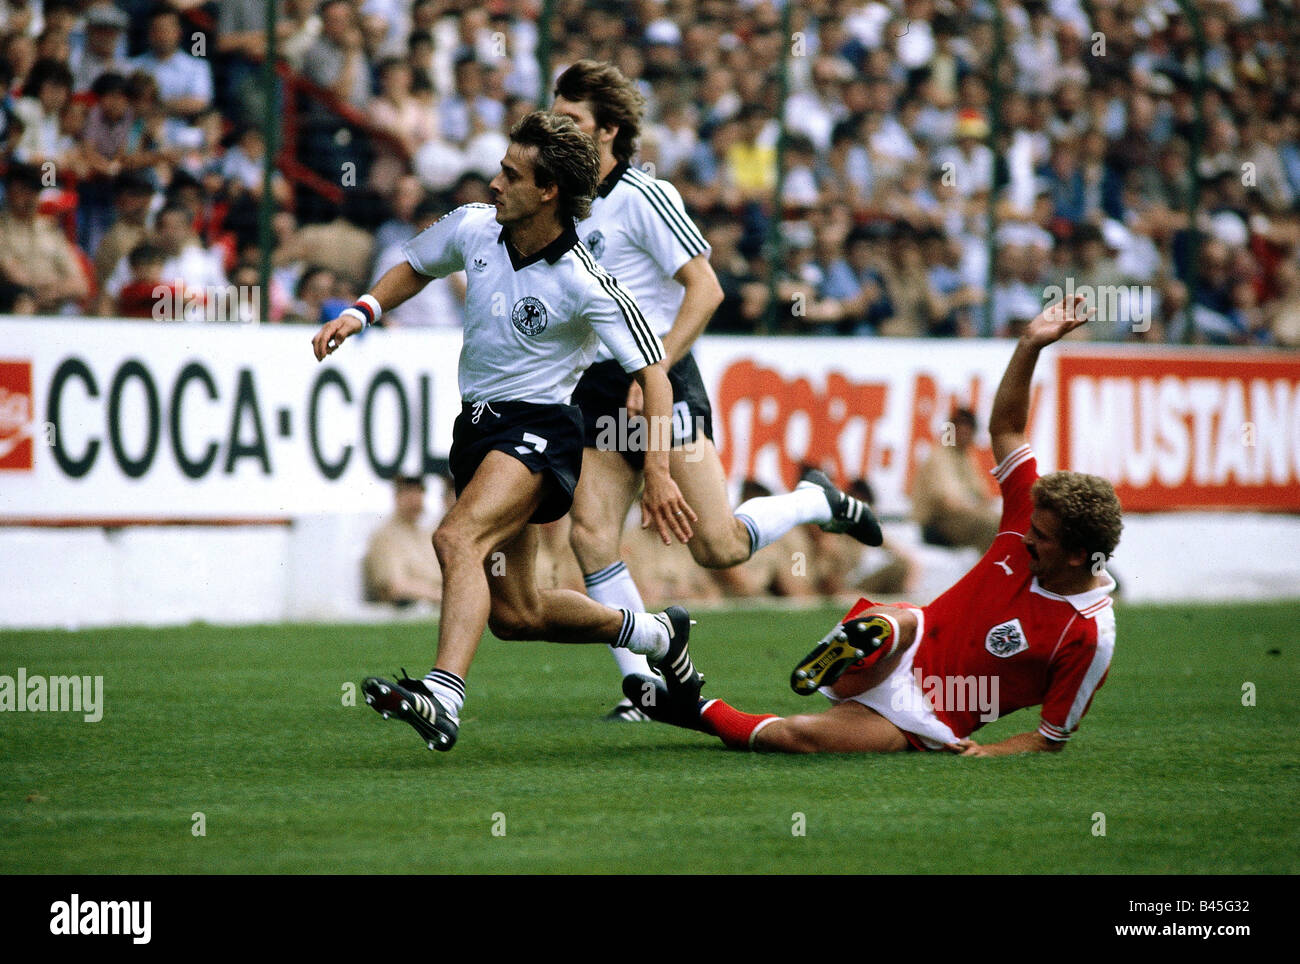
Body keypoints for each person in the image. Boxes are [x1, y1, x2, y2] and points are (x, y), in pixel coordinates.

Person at [311, 111, 702, 752]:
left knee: (455, 536)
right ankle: (657, 635)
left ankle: (443, 695)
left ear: (547, 192)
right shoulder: (473, 226)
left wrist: (657, 470)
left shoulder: (586, 279)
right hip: (478, 428)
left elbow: (655, 373)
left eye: (510, 174)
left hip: (541, 431)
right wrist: (364, 311)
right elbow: (417, 263)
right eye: (499, 167)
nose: (494, 183)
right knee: (518, 615)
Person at [628, 296, 1123, 757]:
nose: (1026, 536)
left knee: (799, 737)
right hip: (906, 642)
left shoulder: (1089, 635)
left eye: (1043, 537)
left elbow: (1050, 737)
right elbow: (1008, 429)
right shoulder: (1025, 519)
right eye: (1032, 526)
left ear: (1078, 555)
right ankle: (863, 640)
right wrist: (1029, 345)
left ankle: (686, 707)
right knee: (898, 620)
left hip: (931, 717)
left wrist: (987, 753)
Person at [552, 60, 884, 722]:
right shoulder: (559, 197)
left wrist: (657, 370)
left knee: (718, 546)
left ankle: (811, 500)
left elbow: (707, 289)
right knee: (591, 536)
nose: (559, 127)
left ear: (609, 130)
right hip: (594, 388)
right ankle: (645, 687)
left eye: (572, 119)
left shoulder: (645, 196)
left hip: (660, 379)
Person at [910, 406, 1001, 552]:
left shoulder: (965, 458)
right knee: (991, 525)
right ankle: (989, 572)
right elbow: (949, 503)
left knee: (1004, 523)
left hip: (959, 520)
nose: (963, 434)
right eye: (959, 429)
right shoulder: (939, 457)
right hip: (936, 526)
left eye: (968, 430)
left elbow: (984, 496)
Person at [362, 474, 443, 606]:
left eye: (419, 492)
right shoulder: (386, 537)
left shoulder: (426, 534)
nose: (415, 500)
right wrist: (441, 595)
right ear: (397, 496)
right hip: (408, 612)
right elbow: (395, 587)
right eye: (408, 492)